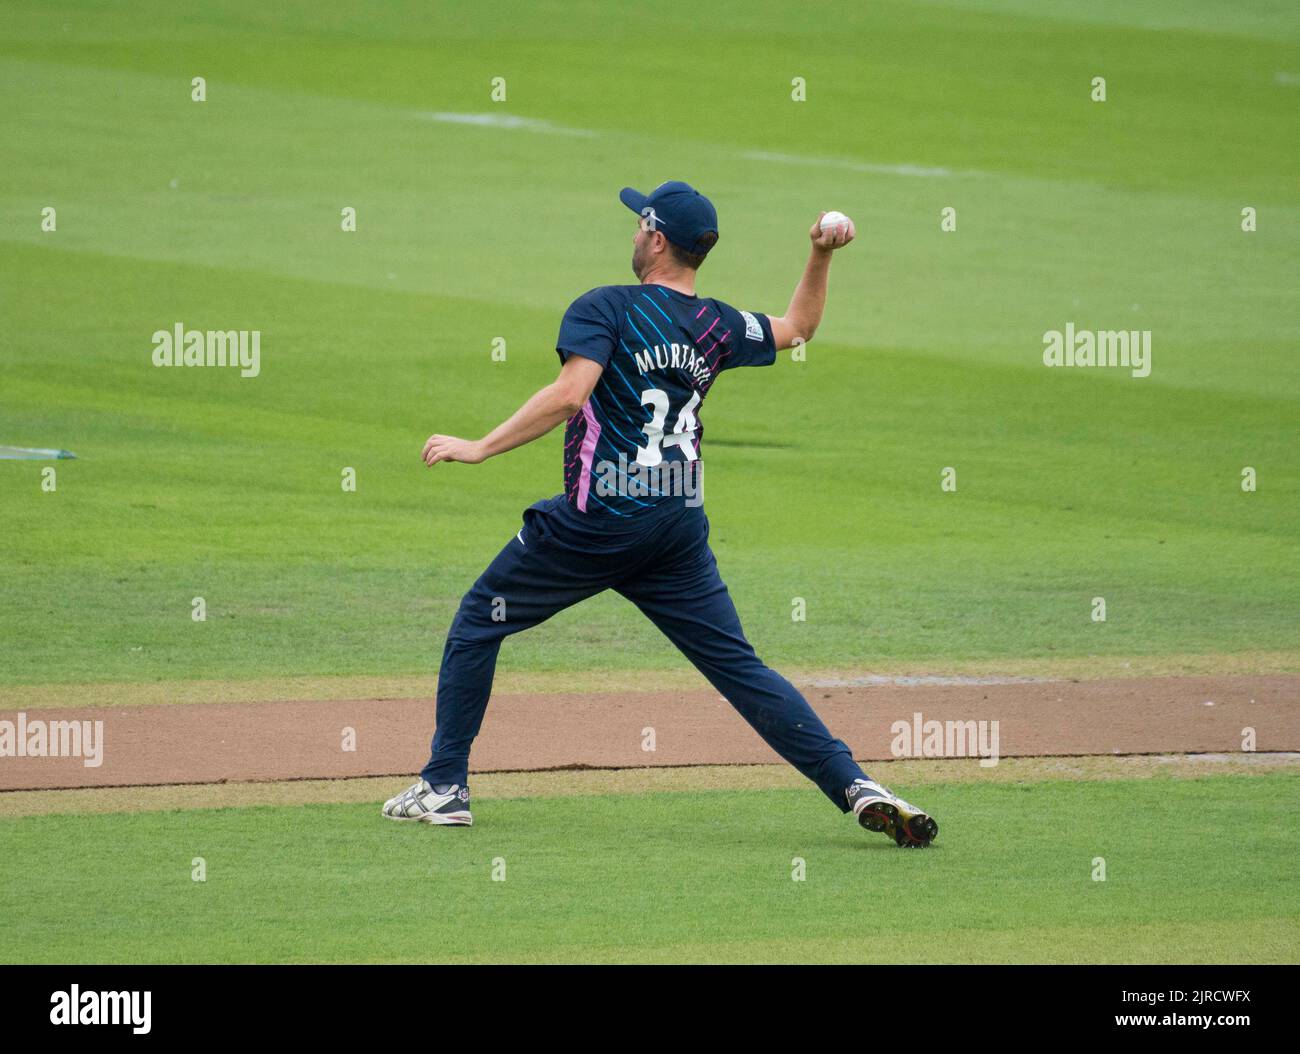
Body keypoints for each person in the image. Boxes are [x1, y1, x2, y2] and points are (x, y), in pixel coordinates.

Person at [382, 181, 938, 847]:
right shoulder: (716, 324)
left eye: (638, 224)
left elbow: (568, 396)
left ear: (654, 237)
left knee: (477, 621)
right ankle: (854, 785)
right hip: (675, 528)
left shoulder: (605, 308)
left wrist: (479, 447)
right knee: (740, 669)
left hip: (600, 521)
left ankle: (444, 786)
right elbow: (800, 328)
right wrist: (820, 254)